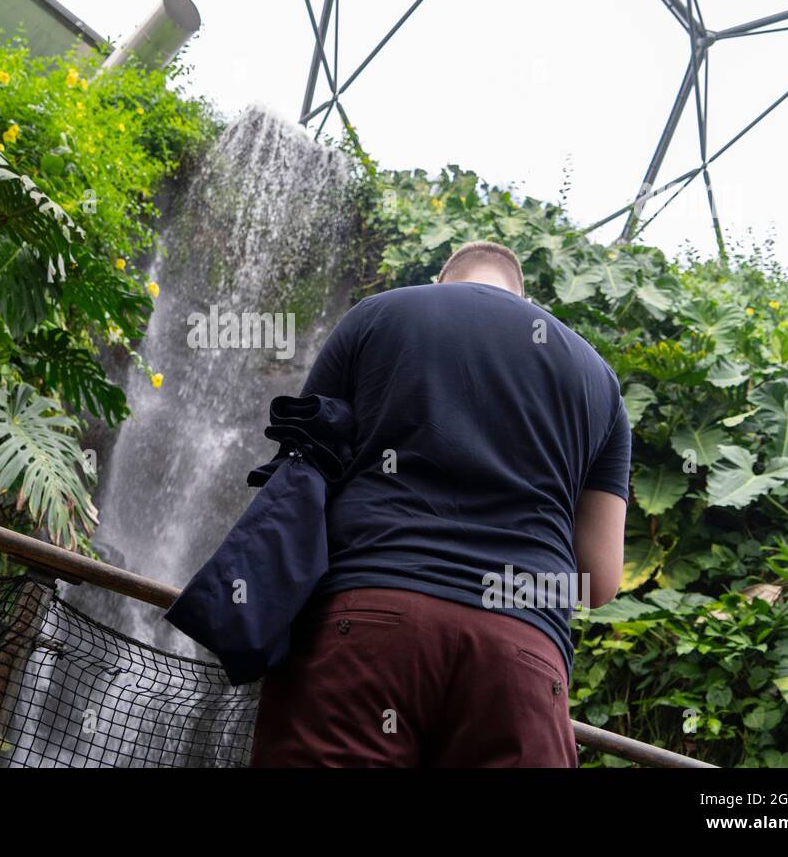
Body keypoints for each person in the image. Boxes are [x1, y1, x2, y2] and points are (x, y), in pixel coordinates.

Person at [250, 240, 630, 767]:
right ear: (528, 298)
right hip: (521, 657)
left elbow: (297, 478)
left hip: (368, 621)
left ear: (439, 280)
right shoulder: (600, 382)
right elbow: (601, 580)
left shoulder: (381, 313)